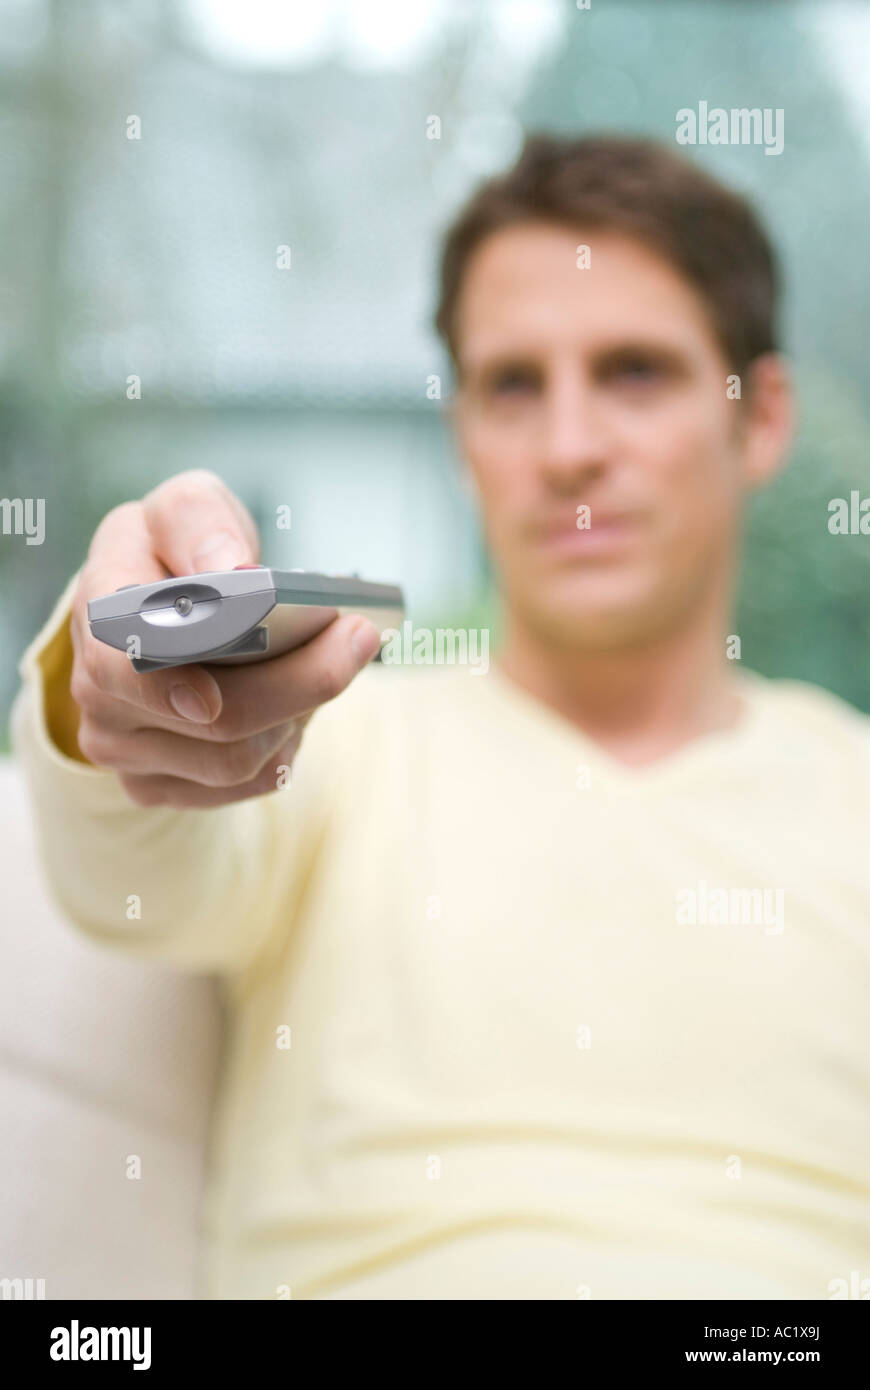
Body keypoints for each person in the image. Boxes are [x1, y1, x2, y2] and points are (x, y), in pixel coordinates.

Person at [12, 134, 870, 1300]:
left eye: (634, 372)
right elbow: (137, 852)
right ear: (463, 437)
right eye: (513, 385)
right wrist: (108, 687)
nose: (568, 449)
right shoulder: (331, 742)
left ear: (760, 417)